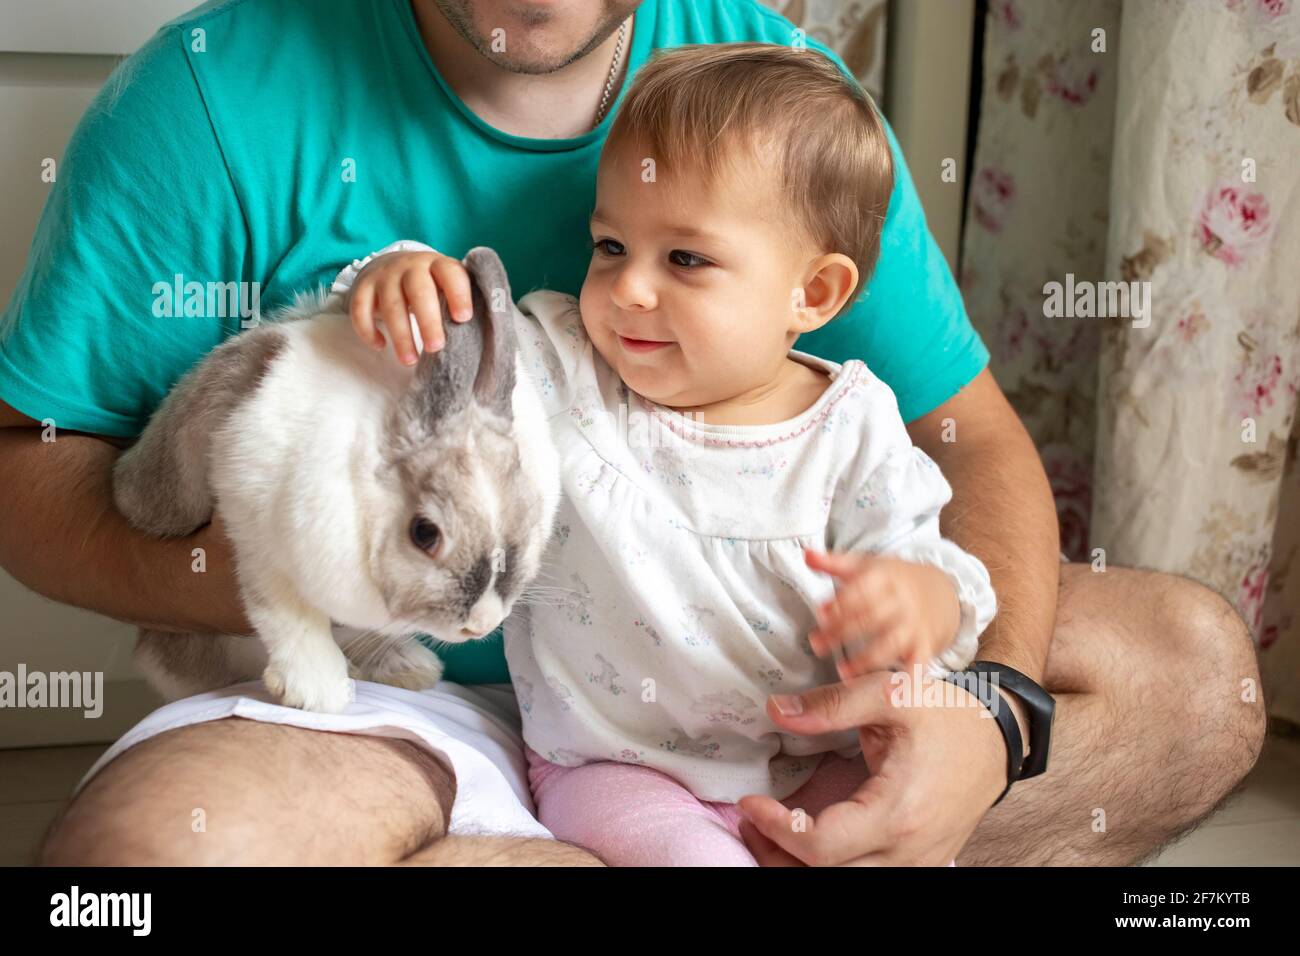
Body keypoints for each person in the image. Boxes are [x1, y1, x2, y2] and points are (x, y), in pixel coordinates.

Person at [1, 1, 1262, 866]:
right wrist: (325, 576)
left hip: (762, 698)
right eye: (611, 247)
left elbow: (966, 446)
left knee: (1200, 675)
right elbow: (28, 470)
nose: (629, 294)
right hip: (396, 699)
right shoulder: (209, 94)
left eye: (683, 257)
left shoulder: (773, 100)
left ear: (813, 291)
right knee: (140, 865)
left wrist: (980, 717)